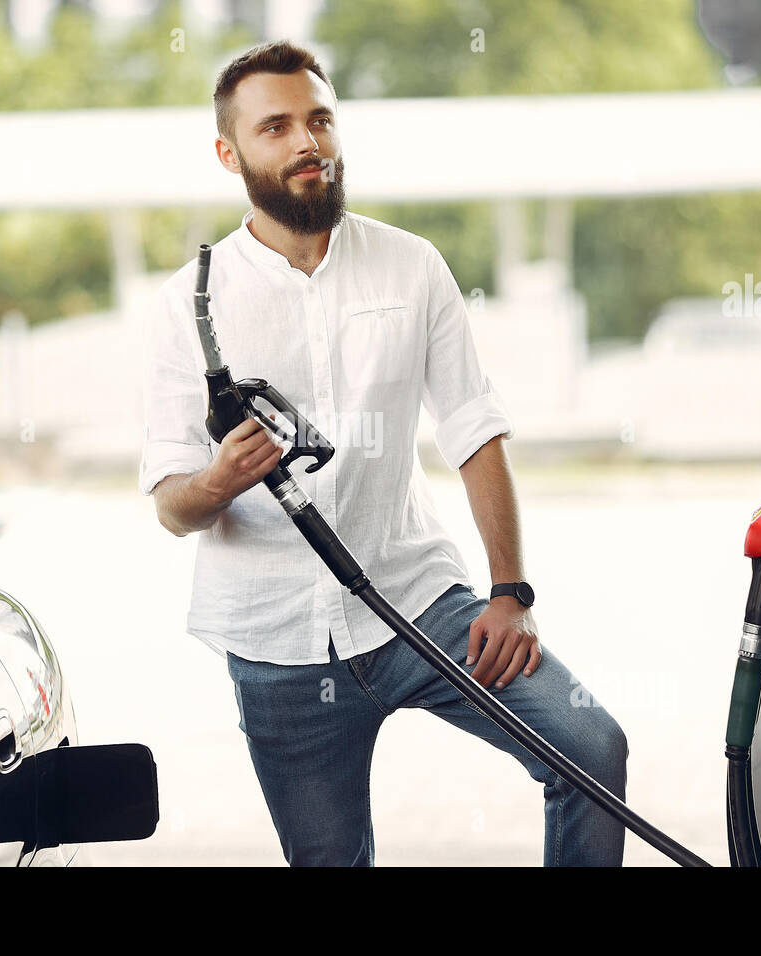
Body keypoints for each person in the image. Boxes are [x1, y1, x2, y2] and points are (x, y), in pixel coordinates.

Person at [140, 40, 627, 866]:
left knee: (590, 747)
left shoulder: (412, 266)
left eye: (321, 120)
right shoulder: (187, 306)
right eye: (277, 127)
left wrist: (509, 591)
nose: (308, 144)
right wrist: (219, 479)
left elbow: (473, 429)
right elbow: (171, 507)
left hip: (419, 604)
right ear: (230, 153)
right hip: (277, 643)